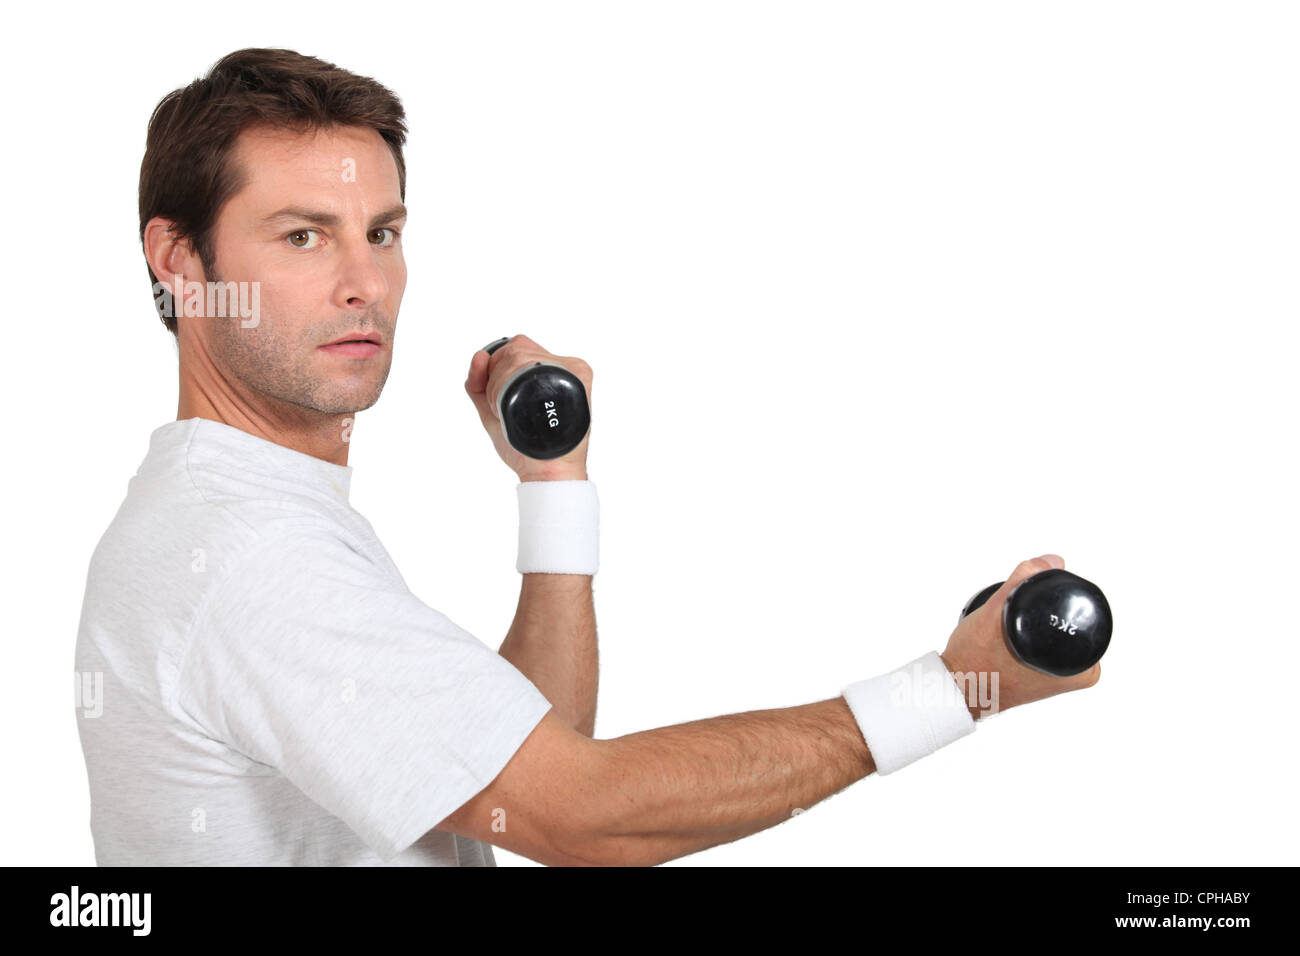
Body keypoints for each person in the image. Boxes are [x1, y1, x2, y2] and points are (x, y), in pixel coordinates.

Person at [73, 47, 1100, 867]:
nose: (365, 283)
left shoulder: (244, 510)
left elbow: (520, 765)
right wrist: (953, 689)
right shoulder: (250, 554)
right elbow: (583, 818)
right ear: (180, 260)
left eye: (381, 232)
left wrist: (553, 482)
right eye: (302, 237)